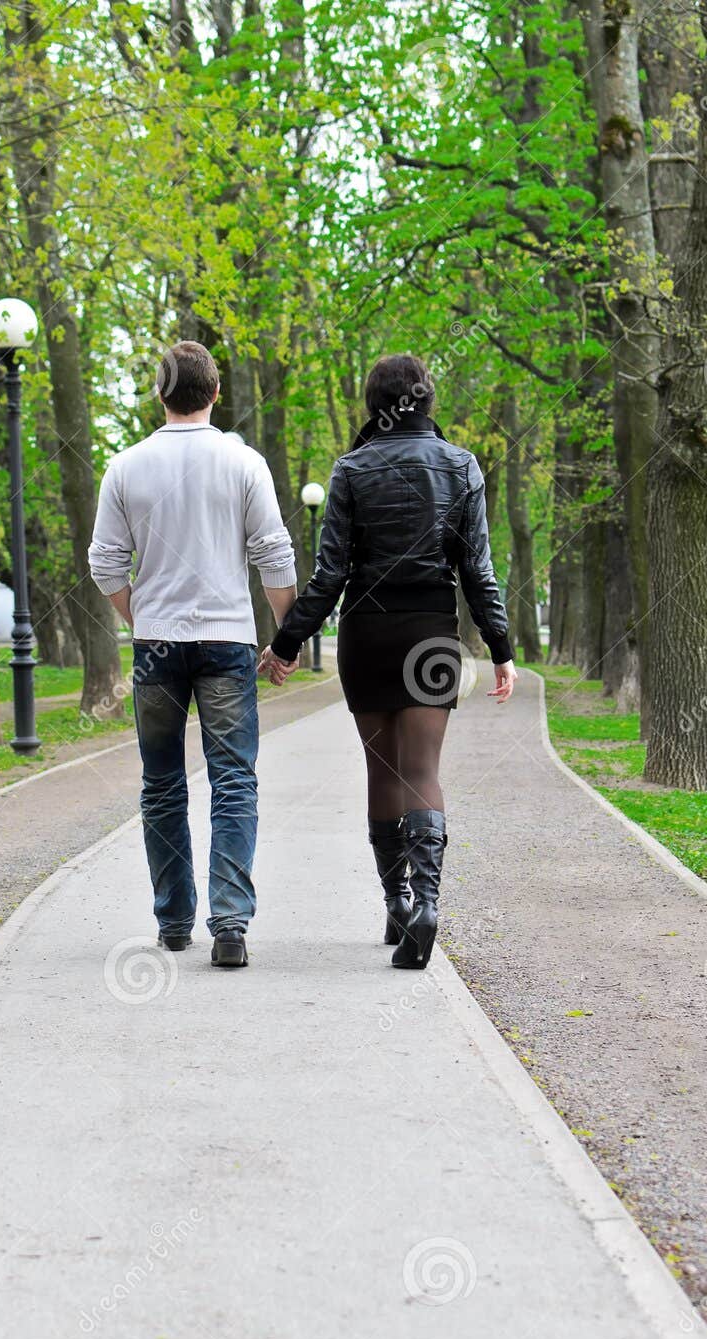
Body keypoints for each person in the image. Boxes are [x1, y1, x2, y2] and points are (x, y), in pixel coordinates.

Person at [259, 353, 516, 971]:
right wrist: (501, 647)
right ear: (426, 401)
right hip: (431, 634)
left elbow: (330, 575)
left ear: (375, 404)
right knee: (421, 771)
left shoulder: (352, 469)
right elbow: (476, 570)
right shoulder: (461, 466)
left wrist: (287, 643)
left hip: (368, 633)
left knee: (382, 775)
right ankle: (427, 906)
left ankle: (397, 904)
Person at [89, 340, 299, 968]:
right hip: (227, 640)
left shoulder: (125, 466)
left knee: (161, 783)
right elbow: (274, 554)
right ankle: (230, 926)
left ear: (160, 393)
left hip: (157, 647)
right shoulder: (244, 463)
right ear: (215, 393)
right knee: (233, 780)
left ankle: (175, 923)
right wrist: (285, 638)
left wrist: (143, 619)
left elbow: (105, 564)